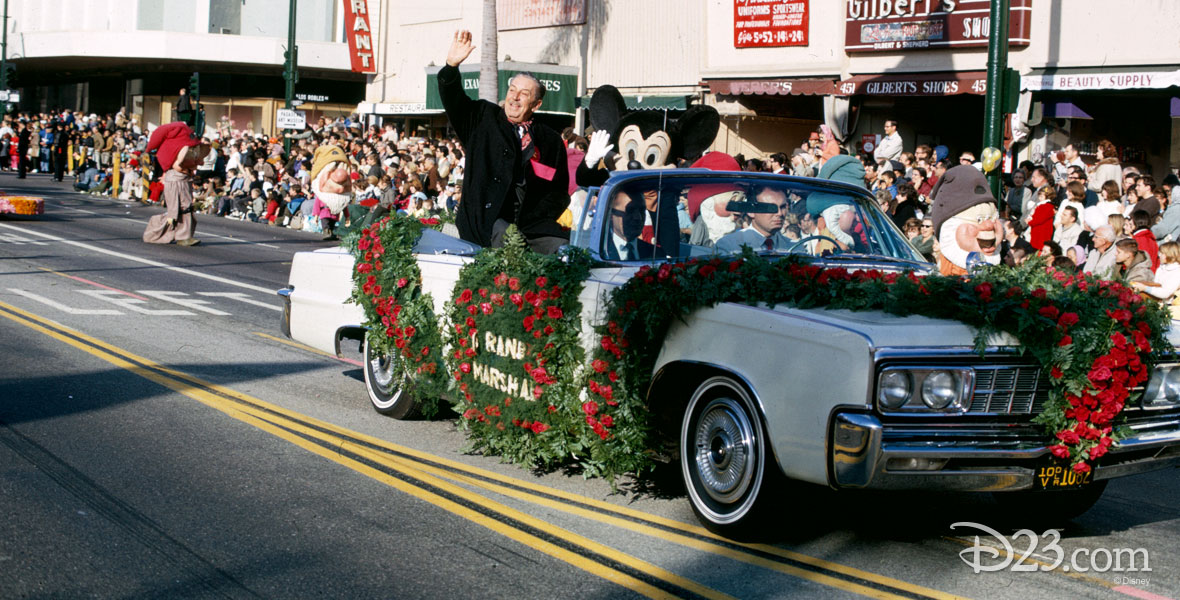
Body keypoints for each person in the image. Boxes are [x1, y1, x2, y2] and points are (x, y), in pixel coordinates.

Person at [438, 30, 570, 254]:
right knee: (507, 238)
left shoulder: (550, 140)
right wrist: (451, 66)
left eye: (524, 94)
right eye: (512, 90)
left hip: (533, 225)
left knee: (562, 247)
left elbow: (558, 192)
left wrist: (539, 218)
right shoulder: (481, 118)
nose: (515, 97)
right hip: (487, 222)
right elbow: (454, 101)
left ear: (536, 105)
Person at [143, 122, 206, 246]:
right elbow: (176, 165)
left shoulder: (185, 146)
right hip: (177, 179)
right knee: (178, 209)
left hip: (182, 179)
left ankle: (183, 236)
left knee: (184, 208)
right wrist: (188, 171)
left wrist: (191, 168)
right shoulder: (182, 146)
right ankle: (157, 232)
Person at [714, 185, 794, 253]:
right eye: (771, 208)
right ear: (751, 211)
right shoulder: (729, 246)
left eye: (783, 207)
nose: (779, 213)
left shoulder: (794, 248)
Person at [1026, 186, 1057, 251]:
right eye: (1039, 196)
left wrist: (1030, 222)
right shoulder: (1041, 206)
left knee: (1039, 248)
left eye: (1041, 196)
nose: (1039, 198)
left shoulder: (1047, 207)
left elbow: (1039, 220)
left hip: (1042, 232)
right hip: (1037, 231)